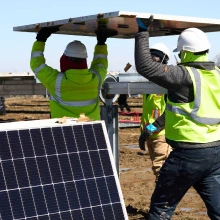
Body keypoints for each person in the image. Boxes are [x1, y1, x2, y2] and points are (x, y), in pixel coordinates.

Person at [135, 17, 220, 219]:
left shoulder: (184, 75)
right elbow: (181, 110)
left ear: (185, 52)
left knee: (160, 209)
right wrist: (153, 128)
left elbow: (145, 66)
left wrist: (142, 32)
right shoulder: (217, 74)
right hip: (214, 154)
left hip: (187, 155)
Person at [30, 27, 117, 120]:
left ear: (65, 60)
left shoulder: (56, 82)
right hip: (92, 131)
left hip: (63, 132)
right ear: (84, 61)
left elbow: (36, 64)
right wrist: (101, 42)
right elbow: (101, 62)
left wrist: (41, 39)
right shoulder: (96, 79)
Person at [139, 43, 172, 179]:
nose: (151, 60)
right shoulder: (150, 84)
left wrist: (153, 127)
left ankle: (165, 199)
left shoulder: (168, 82)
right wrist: (143, 133)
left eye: (155, 58)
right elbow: (148, 112)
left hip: (161, 135)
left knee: (162, 170)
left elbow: (169, 112)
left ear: (163, 60)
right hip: (150, 134)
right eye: (150, 57)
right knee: (157, 170)